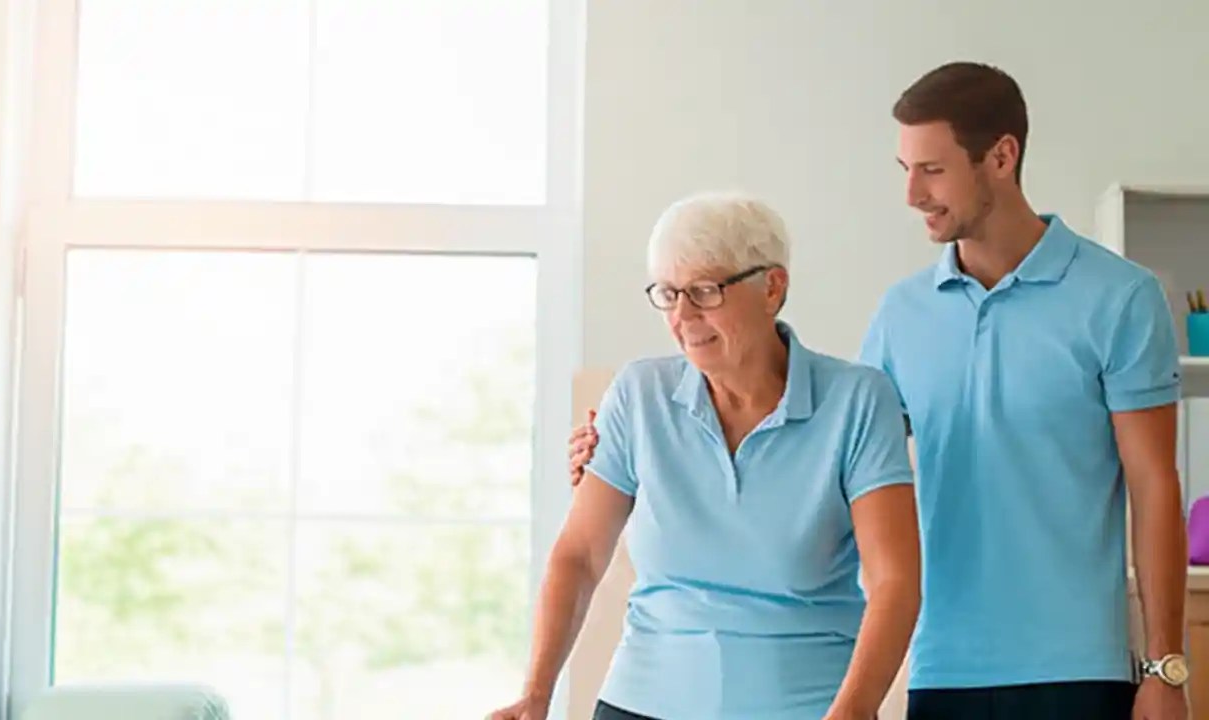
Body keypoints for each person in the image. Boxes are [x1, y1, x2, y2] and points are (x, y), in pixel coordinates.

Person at [571, 62, 1190, 720]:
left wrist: (1164, 666)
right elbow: (830, 457)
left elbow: (1154, 485)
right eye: (905, 169)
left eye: (933, 169)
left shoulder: (1120, 298)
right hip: (940, 666)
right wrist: (613, 456)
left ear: (1002, 157)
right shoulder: (901, 314)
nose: (912, 194)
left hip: (1077, 665)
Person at [492, 194, 922, 720]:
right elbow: (579, 555)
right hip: (641, 704)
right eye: (669, 294)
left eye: (704, 291)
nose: (682, 316)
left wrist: (855, 710)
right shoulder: (639, 394)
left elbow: (894, 580)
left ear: (772, 287)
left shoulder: (857, 400)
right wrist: (537, 693)